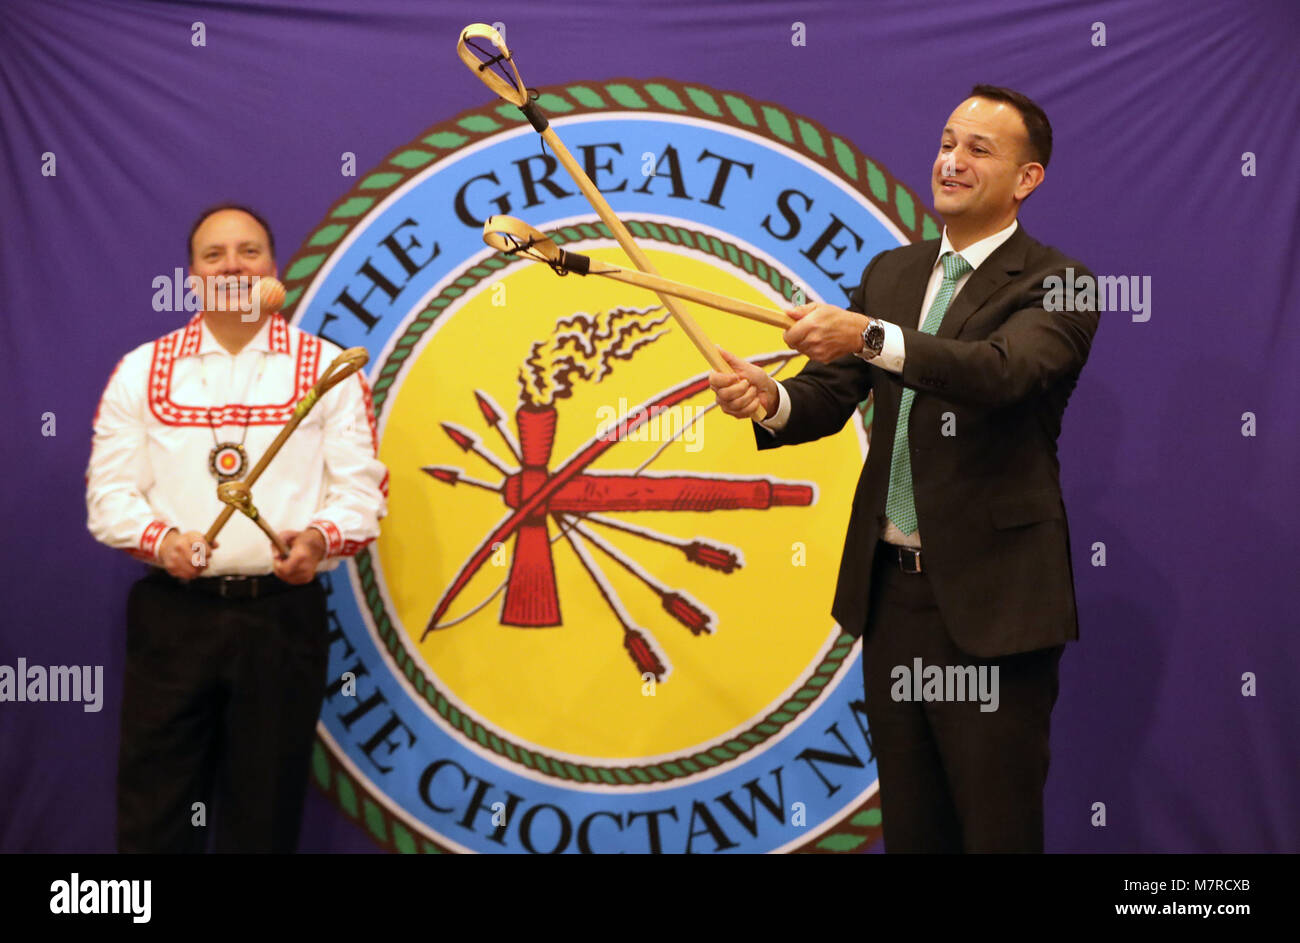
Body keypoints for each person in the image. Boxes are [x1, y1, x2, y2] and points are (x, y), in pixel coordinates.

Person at [710, 86, 1098, 853]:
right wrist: (771, 399)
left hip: (993, 608)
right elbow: (830, 395)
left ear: (1028, 179)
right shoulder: (893, 272)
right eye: (948, 140)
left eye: (979, 149)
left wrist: (868, 335)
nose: (951, 160)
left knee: (995, 830)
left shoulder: (1061, 284)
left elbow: (998, 373)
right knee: (914, 830)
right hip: (892, 598)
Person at [86, 204, 388, 852]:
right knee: (153, 810)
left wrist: (316, 540)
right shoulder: (141, 370)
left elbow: (361, 490)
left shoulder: (328, 368)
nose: (232, 265)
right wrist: (162, 541)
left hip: (281, 618)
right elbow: (108, 495)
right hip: (173, 617)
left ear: (273, 268)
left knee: (265, 814)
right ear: (191, 275)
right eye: (213, 254)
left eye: (248, 251)